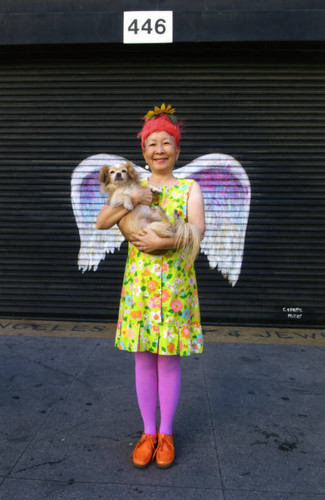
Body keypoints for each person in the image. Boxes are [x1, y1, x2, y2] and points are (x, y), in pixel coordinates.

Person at [96, 104, 205, 469]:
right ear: (143, 152)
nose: (159, 150)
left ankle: (167, 433)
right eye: (152, 144)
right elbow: (102, 221)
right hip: (140, 285)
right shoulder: (132, 186)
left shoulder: (191, 188)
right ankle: (148, 432)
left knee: (169, 360)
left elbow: (198, 232)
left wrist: (166, 244)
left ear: (176, 150)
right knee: (143, 359)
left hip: (174, 287)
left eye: (166, 143)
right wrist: (137, 199)